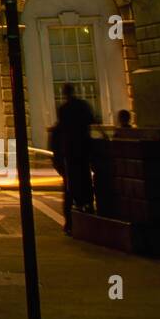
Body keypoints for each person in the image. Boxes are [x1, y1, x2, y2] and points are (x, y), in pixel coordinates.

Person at [54, 83, 95, 235]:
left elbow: (61, 129)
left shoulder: (64, 109)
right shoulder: (83, 106)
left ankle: (70, 222)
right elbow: (92, 121)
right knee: (85, 182)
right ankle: (87, 212)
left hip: (70, 152)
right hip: (82, 150)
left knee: (70, 187)